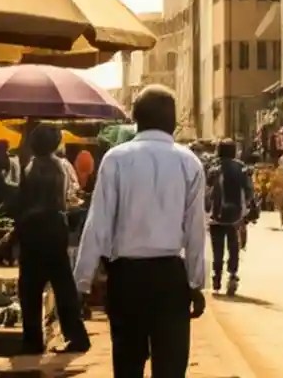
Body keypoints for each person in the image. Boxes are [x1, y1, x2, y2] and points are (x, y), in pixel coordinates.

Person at [74, 85, 206, 378]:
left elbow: (98, 224)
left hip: (126, 278)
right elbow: (196, 230)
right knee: (170, 367)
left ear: (137, 120)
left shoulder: (116, 159)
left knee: (128, 365)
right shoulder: (189, 162)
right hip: (171, 277)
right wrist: (196, 283)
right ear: (172, 122)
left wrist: (82, 282)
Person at [0, 124, 90, 355]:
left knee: (30, 288)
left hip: (35, 230)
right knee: (63, 286)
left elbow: (26, 203)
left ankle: (32, 340)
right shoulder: (59, 166)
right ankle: (77, 337)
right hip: (56, 230)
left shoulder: (36, 167)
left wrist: (13, 233)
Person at [207, 140, 253, 295]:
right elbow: (248, 191)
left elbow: (206, 188)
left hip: (216, 214)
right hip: (235, 215)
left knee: (217, 247)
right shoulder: (241, 168)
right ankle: (232, 275)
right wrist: (246, 208)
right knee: (233, 246)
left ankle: (216, 275)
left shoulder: (212, 167)